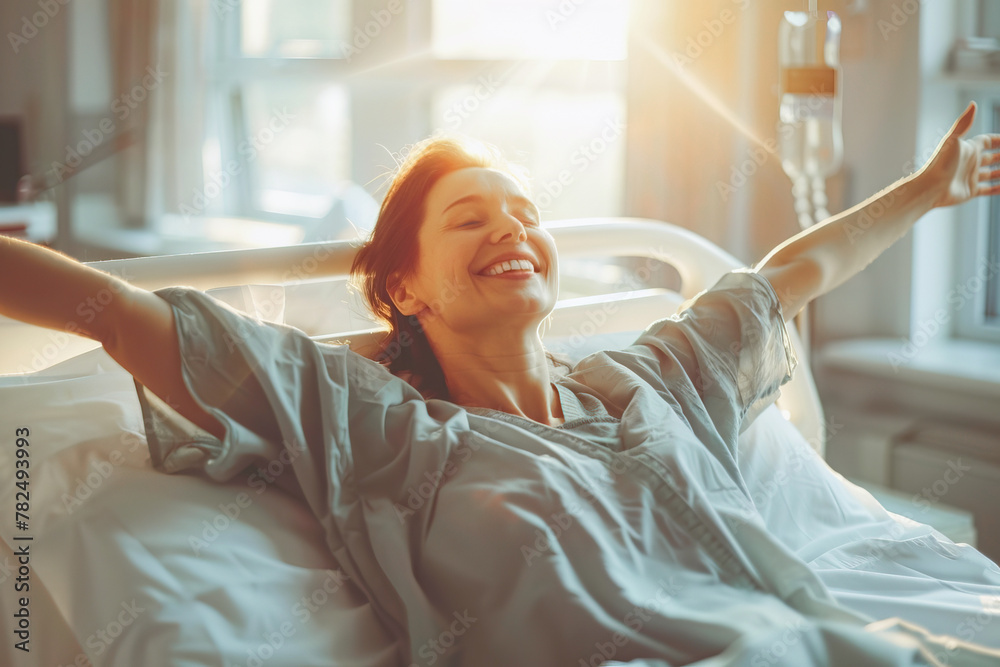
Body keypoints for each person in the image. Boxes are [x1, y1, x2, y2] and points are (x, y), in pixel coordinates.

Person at [2, 102, 1000, 666]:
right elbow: (113, 312)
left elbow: (787, 276)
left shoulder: (653, 382)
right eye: (470, 218)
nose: (511, 229)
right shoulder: (382, 428)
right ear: (402, 287)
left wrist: (926, 190)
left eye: (525, 212)